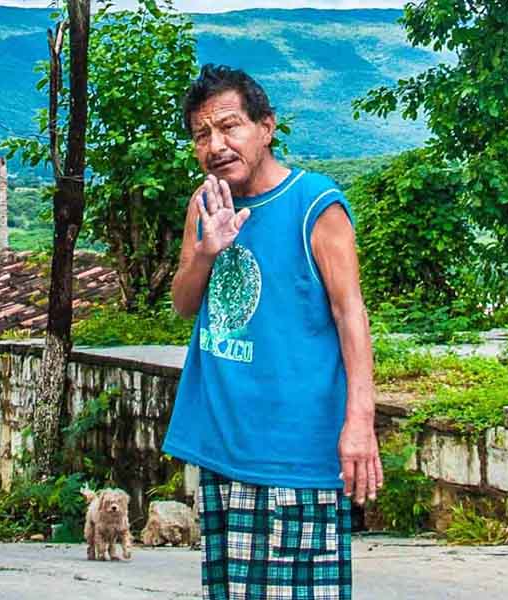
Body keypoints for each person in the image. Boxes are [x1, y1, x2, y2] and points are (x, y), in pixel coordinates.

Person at [162, 64, 383, 600]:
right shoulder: (207, 204)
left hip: (296, 451)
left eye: (230, 126)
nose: (216, 145)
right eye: (201, 134)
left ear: (266, 127)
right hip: (222, 443)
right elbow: (183, 303)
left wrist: (360, 423)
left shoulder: (316, 204)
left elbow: (350, 312)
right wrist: (206, 251)